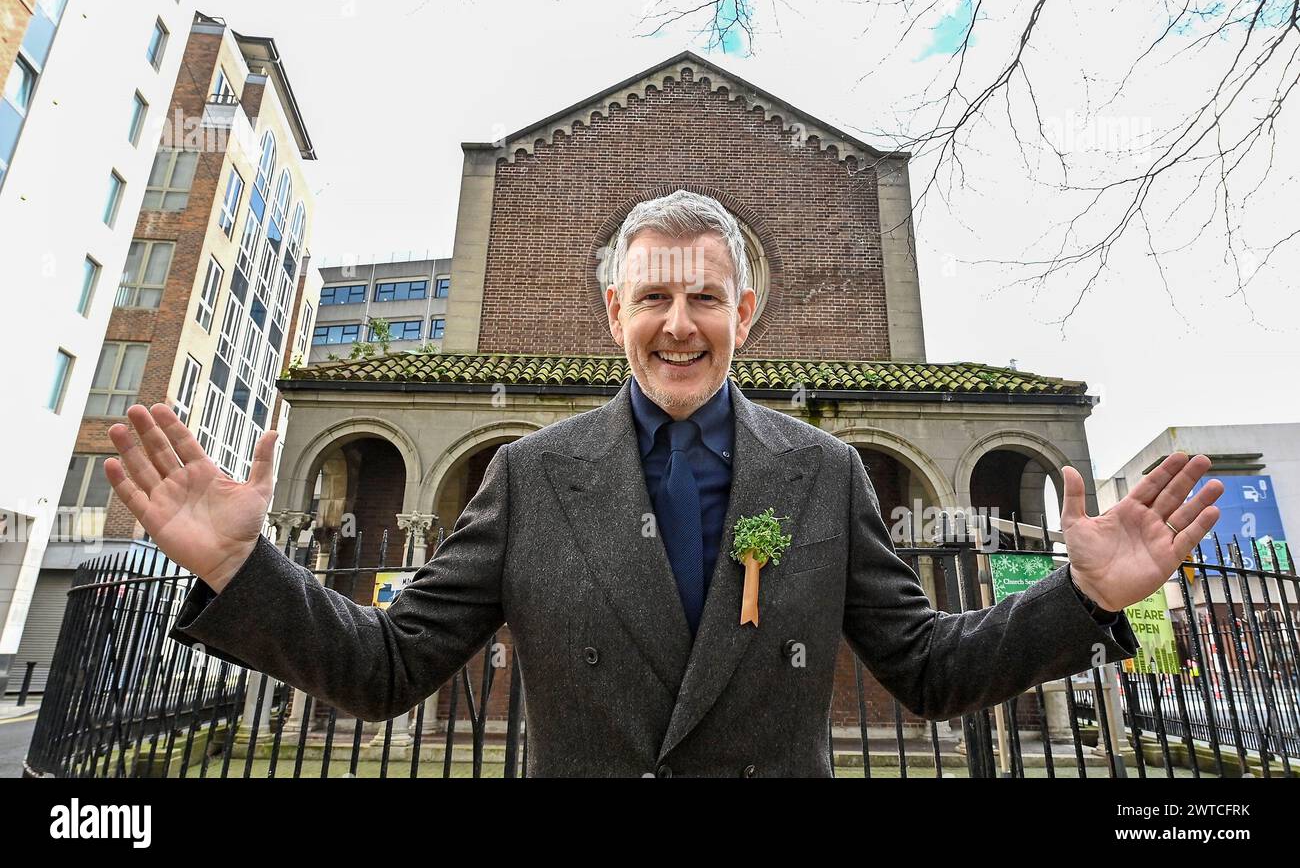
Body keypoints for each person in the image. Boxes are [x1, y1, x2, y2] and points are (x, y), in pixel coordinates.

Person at [103, 190, 1224, 777]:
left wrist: (1084, 603)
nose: (677, 324)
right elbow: (386, 668)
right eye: (652, 298)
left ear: (744, 314)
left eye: (703, 299)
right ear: (614, 315)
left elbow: (929, 671)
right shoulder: (533, 476)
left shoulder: (823, 474)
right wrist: (244, 570)